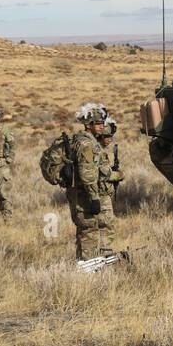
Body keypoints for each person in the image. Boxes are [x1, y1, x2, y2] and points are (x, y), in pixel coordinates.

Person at [67, 103, 118, 260]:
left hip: (86, 193)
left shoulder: (89, 141)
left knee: (91, 229)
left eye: (102, 123)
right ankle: (88, 266)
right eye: (97, 123)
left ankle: (91, 262)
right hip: (86, 195)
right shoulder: (87, 144)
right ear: (88, 125)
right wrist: (94, 197)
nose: (102, 126)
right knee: (89, 230)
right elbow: (87, 173)